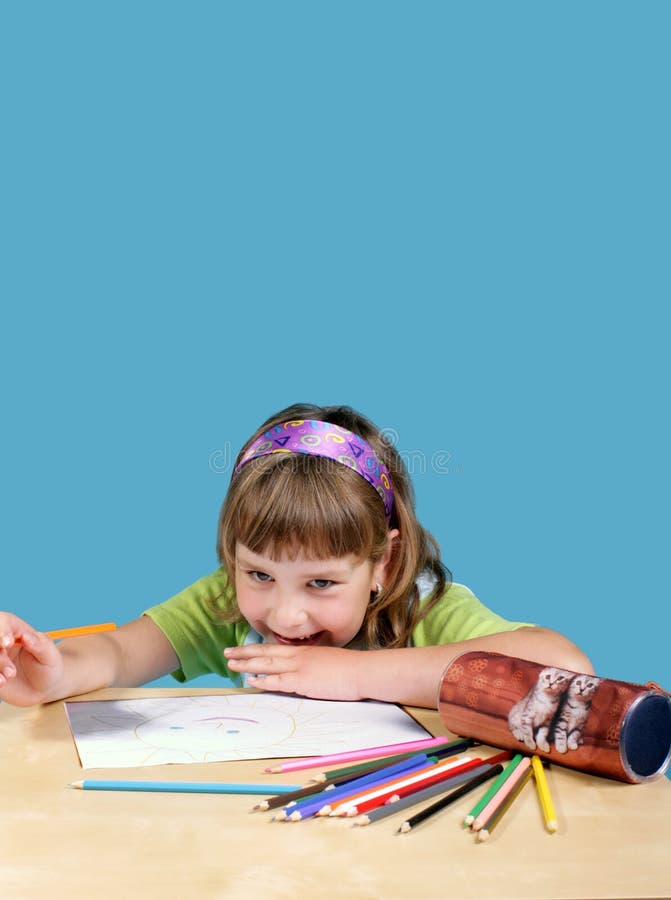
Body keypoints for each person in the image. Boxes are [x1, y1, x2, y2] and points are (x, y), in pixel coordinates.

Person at [0, 402, 592, 710]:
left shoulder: (423, 613)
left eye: (322, 584)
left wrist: (358, 675)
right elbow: (119, 652)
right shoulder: (227, 603)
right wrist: (55, 671)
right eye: (259, 573)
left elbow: (567, 668)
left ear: (382, 564)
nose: (284, 617)